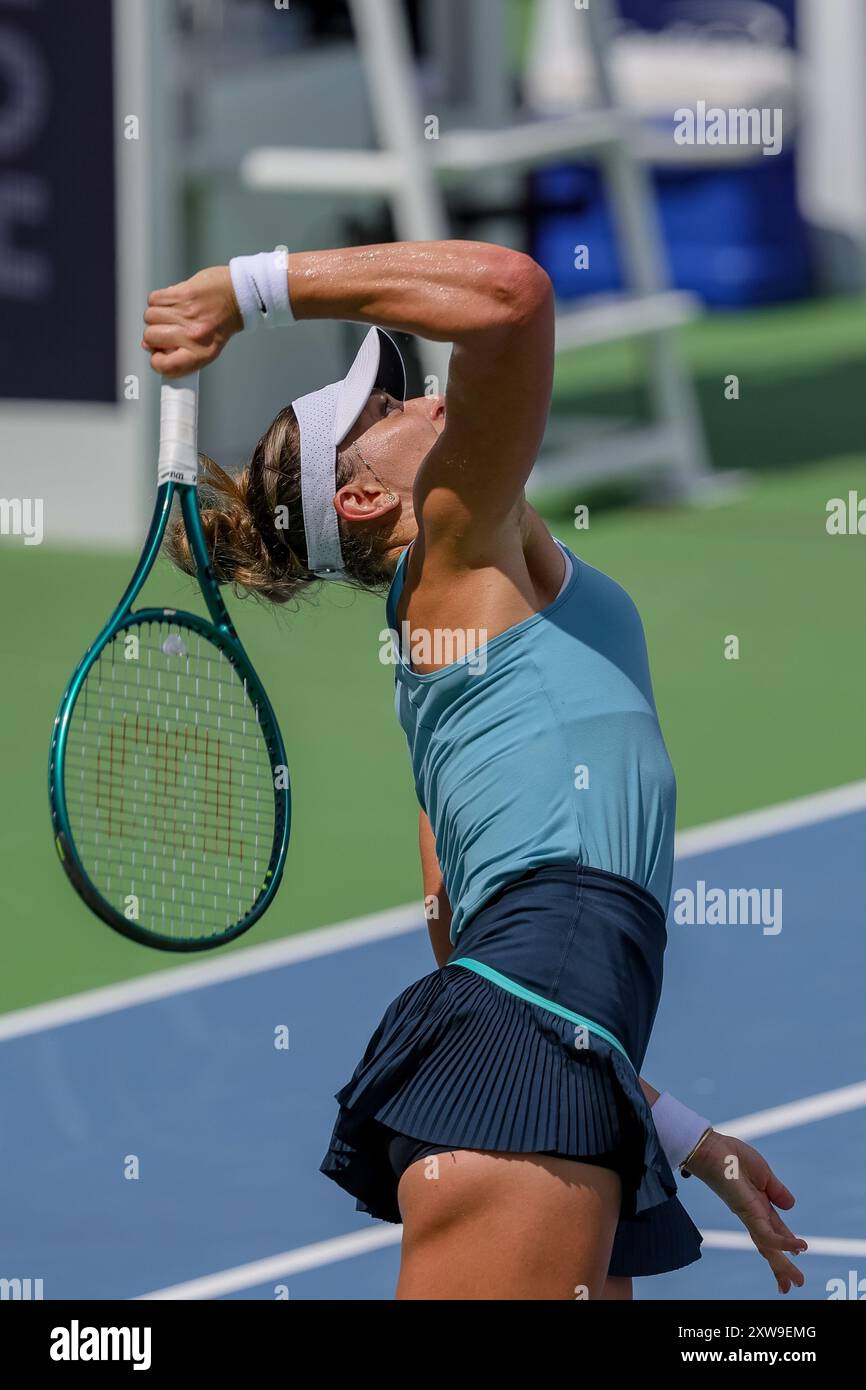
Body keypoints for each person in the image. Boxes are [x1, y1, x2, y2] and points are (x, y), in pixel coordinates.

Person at [142, 239, 807, 1300]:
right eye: (388, 410)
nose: (428, 400)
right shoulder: (456, 550)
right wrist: (252, 288)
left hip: (555, 1056)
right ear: (364, 501)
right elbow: (510, 296)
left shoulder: (448, 664)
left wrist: (682, 1134)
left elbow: (475, 947)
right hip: (531, 1078)